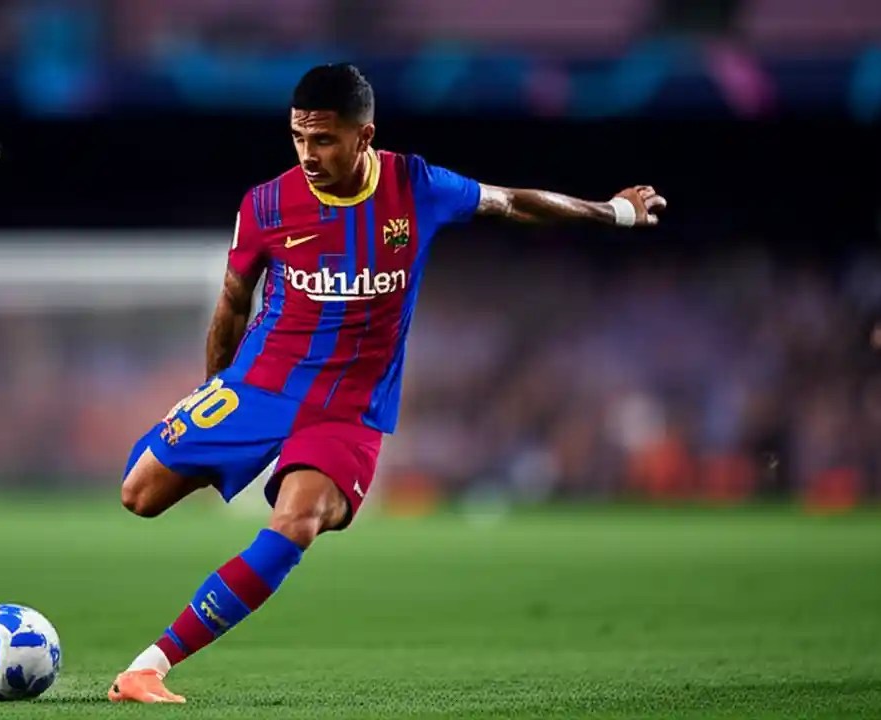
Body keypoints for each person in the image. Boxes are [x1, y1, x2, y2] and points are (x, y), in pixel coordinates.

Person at [108, 64, 667, 703]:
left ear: (364, 136)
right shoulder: (265, 204)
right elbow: (234, 302)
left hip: (348, 410)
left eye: (324, 140)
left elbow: (513, 201)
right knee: (139, 495)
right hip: (259, 385)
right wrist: (213, 389)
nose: (308, 155)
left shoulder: (416, 185)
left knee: (296, 524)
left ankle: (149, 667)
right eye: (298, 138)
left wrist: (614, 212)